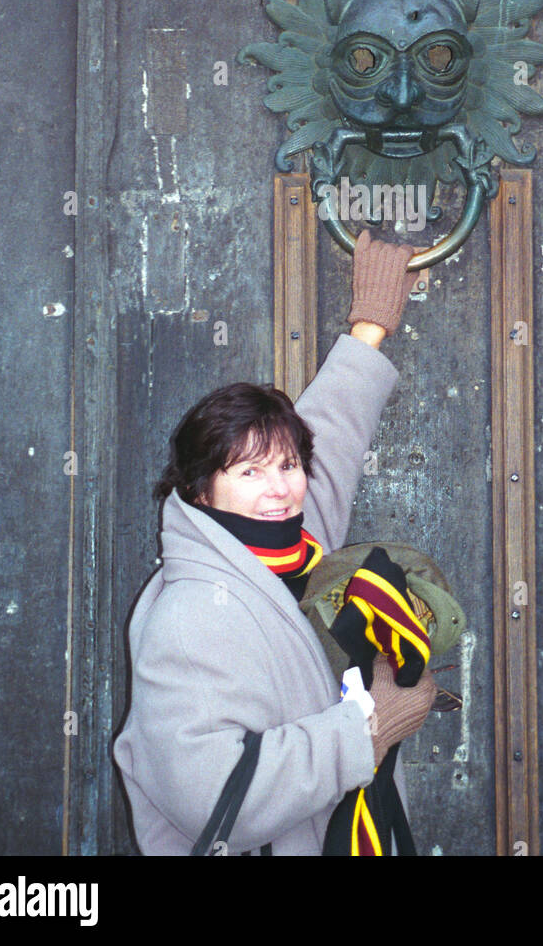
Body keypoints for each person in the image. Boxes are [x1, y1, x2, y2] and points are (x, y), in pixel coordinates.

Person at [112, 231, 437, 856]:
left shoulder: (292, 549)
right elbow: (216, 799)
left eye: (287, 466)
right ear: (202, 489)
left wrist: (371, 320)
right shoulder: (189, 615)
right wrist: (367, 731)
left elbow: (334, 430)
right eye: (249, 472)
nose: (279, 490)